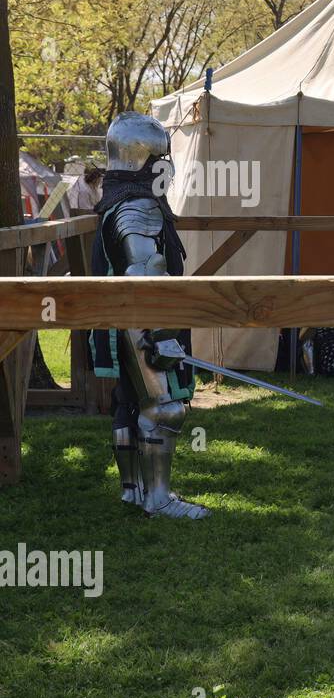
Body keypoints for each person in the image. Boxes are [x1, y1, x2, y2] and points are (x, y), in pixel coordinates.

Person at [89, 111, 209, 519]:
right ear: (146, 161)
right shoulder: (139, 205)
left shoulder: (114, 200)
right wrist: (159, 335)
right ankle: (158, 500)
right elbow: (144, 272)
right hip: (139, 320)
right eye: (163, 159)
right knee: (163, 408)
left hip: (119, 319)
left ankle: (133, 490)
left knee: (128, 401)